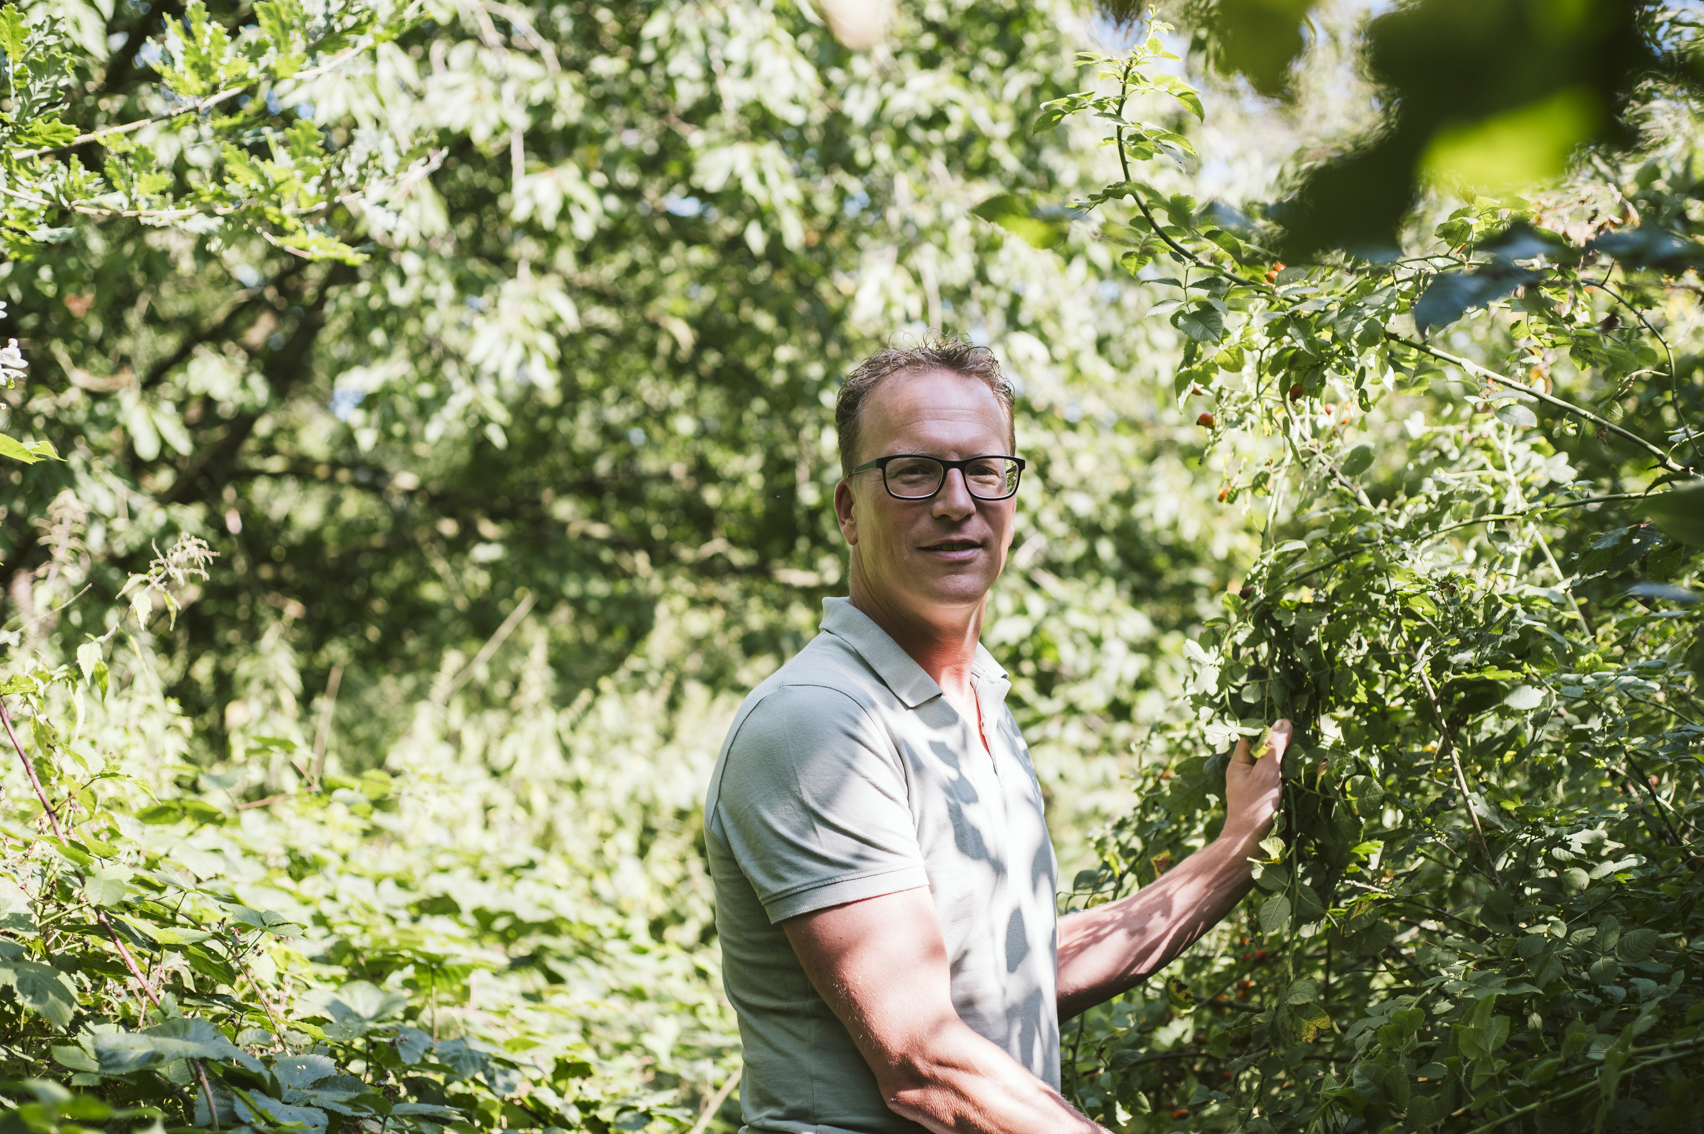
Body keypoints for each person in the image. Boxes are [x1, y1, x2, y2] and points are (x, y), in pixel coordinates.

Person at [703, 342, 1292, 1134]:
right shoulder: (817, 723)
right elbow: (925, 1064)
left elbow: (1006, 978)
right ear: (848, 508)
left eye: (984, 469)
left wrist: (1237, 851)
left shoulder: (975, 697)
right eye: (912, 471)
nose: (956, 502)